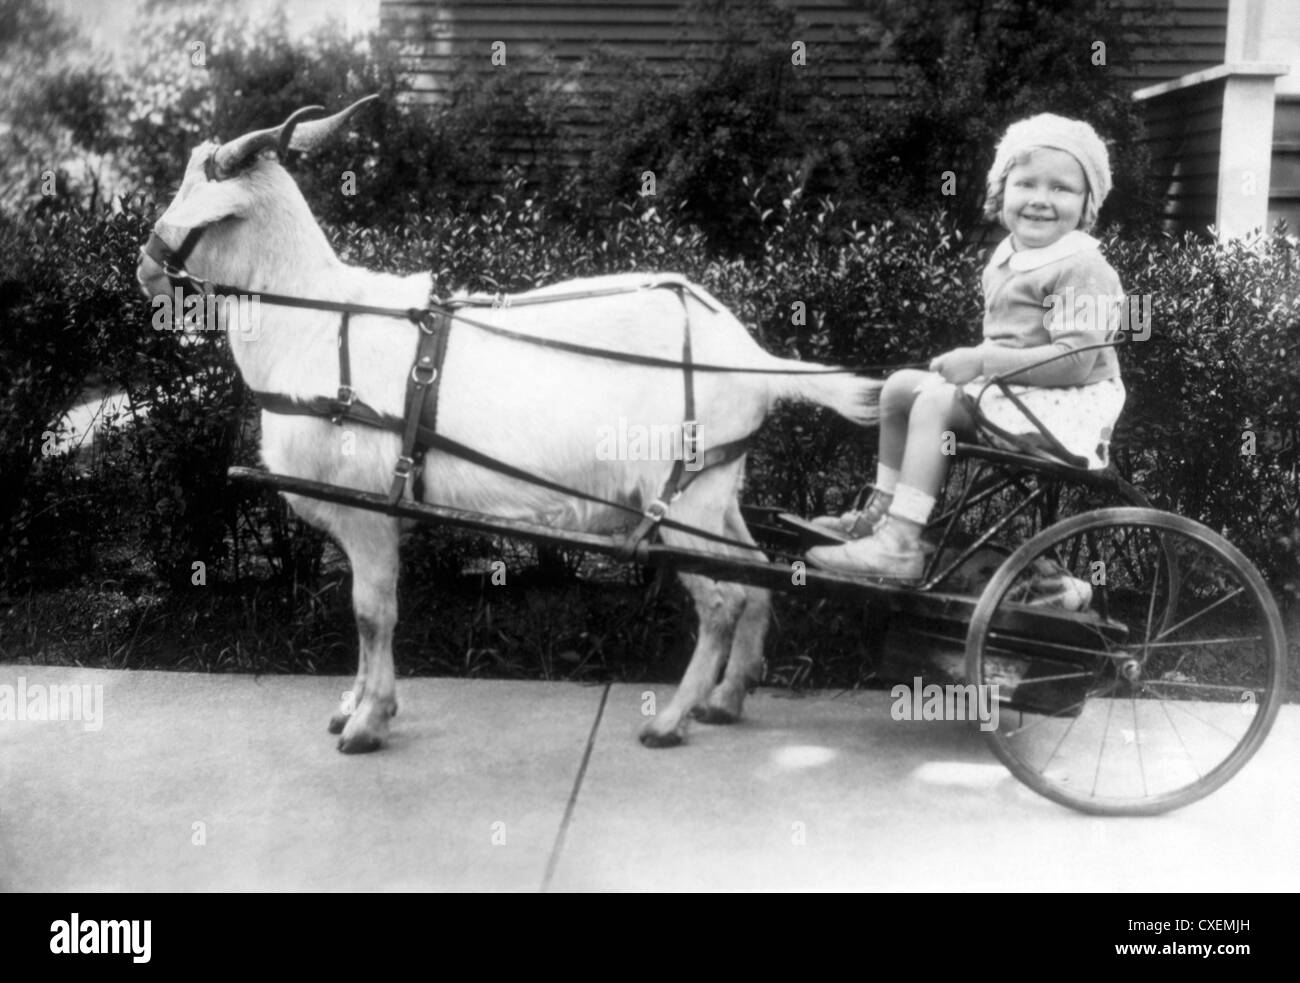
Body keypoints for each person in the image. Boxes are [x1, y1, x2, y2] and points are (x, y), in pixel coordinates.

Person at [807, 113, 1127, 580]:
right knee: (899, 387)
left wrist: (980, 361)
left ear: (1087, 203)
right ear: (1001, 193)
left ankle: (899, 545)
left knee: (936, 400)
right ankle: (882, 511)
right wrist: (977, 365)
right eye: (1026, 184)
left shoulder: (1084, 267)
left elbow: (1075, 363)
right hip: (1017, 391)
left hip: (1063, 408)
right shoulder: (1008, 259)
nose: (1041, 200)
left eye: (1062, 189)